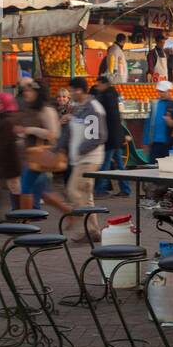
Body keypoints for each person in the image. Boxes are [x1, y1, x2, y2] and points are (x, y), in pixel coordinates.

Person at [57, 76, 107, 243]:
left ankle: (79, 219)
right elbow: (73, 129)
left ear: (78, 90)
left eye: (71, 90)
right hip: (81, 159)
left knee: (73, 190)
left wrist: (79, 149)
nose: (70, 93)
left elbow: (99, 136)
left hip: (88, 159)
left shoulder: (93, 108)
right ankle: (93, 231)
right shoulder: (79, 107)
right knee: (86, 196)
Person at [17, 80, 69, 214]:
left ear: (37, 93)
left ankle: (24, 221)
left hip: (41, 154)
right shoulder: (32, 109)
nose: (26, 93)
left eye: (30, 90)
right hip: (32, 154)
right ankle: (68, 212)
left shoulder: (47, 110)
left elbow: (53, 134)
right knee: (43, 192)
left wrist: (29, 130)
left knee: (26, 187)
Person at [92, 75, 130, 198]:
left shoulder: (106, 97)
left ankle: (100, 190)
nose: (97, 87)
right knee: (119, 164)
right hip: (116, 136)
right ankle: (125, 189)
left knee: (105, 164)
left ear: (104, 84)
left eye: (98, 85)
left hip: (110, 137)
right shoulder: (112, 95)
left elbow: (108, 118)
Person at [0, 92, 24, 218]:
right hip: (8, 161)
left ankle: (19, 215)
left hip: (11, 161)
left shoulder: (7, 121)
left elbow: (6, 145)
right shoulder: (5, 119)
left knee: (14, 187)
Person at [143, 79, 173, 159]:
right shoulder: (155, 104)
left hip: (168, 143)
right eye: (159, 91)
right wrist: (146, 142)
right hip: (155, 143)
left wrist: (171, 122)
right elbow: (148, 124)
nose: (160, 94)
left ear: (170, 91)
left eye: (163, 91)